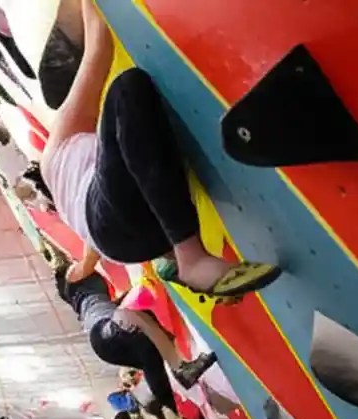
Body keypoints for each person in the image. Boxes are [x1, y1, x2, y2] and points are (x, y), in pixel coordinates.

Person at [40, 0, 281, 298]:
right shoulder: (58, 145)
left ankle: (178, 261)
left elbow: (106, 221)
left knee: (136, 159)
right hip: (113, 228)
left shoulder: (67, 184)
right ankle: (190, 256)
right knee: (126, 90)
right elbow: (97, 53)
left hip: (131, 242)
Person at [54, 254, 215, 394]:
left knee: (151, 352)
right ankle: (180, 369)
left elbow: (110, 306)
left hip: (104, 342)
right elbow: (92, 250)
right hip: (102, 332)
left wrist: (136, 287)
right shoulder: (72, 275)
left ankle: (174, 413)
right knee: (132, 316)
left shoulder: (87, 301)